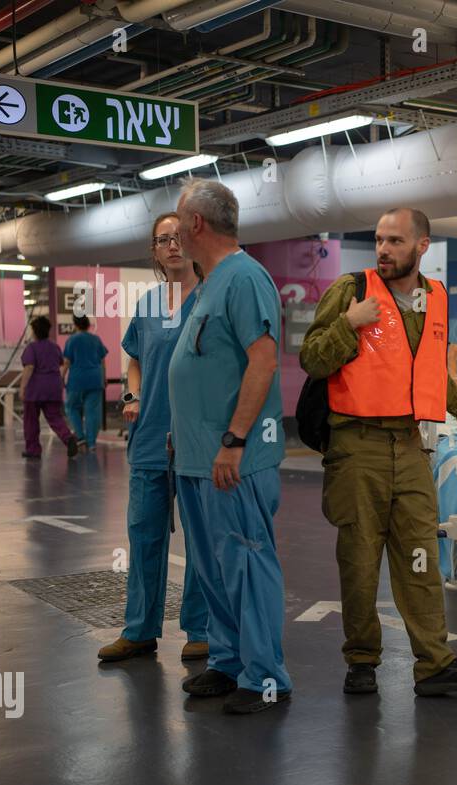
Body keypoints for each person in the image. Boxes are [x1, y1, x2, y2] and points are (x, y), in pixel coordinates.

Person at [299, 207, 457, 698]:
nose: (384, 249)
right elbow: (312, 357)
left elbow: (427, 369)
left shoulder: (437, 298)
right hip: (356, 446)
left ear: (422, 246)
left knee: (419, 555)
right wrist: (348, 324)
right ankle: (362, 660)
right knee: (361, 560)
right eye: (379, 240)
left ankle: (433, 663)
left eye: (395, 241)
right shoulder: (352, 290)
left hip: (410, 446)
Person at [169, 178, 291, 715]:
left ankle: (265, 677)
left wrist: (234, 439)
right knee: (212, 567)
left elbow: (262, 362)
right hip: (197, 459)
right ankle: (227, 661)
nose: (172, 229)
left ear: (196, 223)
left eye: (177, 219)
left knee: (246, 561)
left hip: (233, 459)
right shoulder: (208, 283)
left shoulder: (245, 278)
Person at [98, 213, 211, 664]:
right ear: (155, 250)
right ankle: (140, 630)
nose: (172, 245)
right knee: (144, 536)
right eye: (163, 239)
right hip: (148, 440)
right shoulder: (146, 305)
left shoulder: (212, 299)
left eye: (179, 237)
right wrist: (132, 393)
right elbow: (136, 360)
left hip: (197, 441)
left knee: (201, 541)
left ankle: (200, 629)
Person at [19, 317, 79, 460]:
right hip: (53, 387)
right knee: (55, 418)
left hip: (35, 389)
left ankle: (33, 450)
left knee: (31, 420)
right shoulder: (55, 347)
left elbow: (29, 367)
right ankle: (68, 438)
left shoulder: (31, 348)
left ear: (34, 331)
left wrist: (22, 387)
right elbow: (61, 362)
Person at [62, 314, 108, 452]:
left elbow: (67, 361)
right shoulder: (96, 339)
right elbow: (102, 361)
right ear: (88, 324)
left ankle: (80, 437)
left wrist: (61, 376)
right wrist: (103, 378)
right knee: (92, 412)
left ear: (75, 325)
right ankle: (92, 443)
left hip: (77, 380)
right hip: (95, 379)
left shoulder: (72, 340)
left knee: (71, 407)